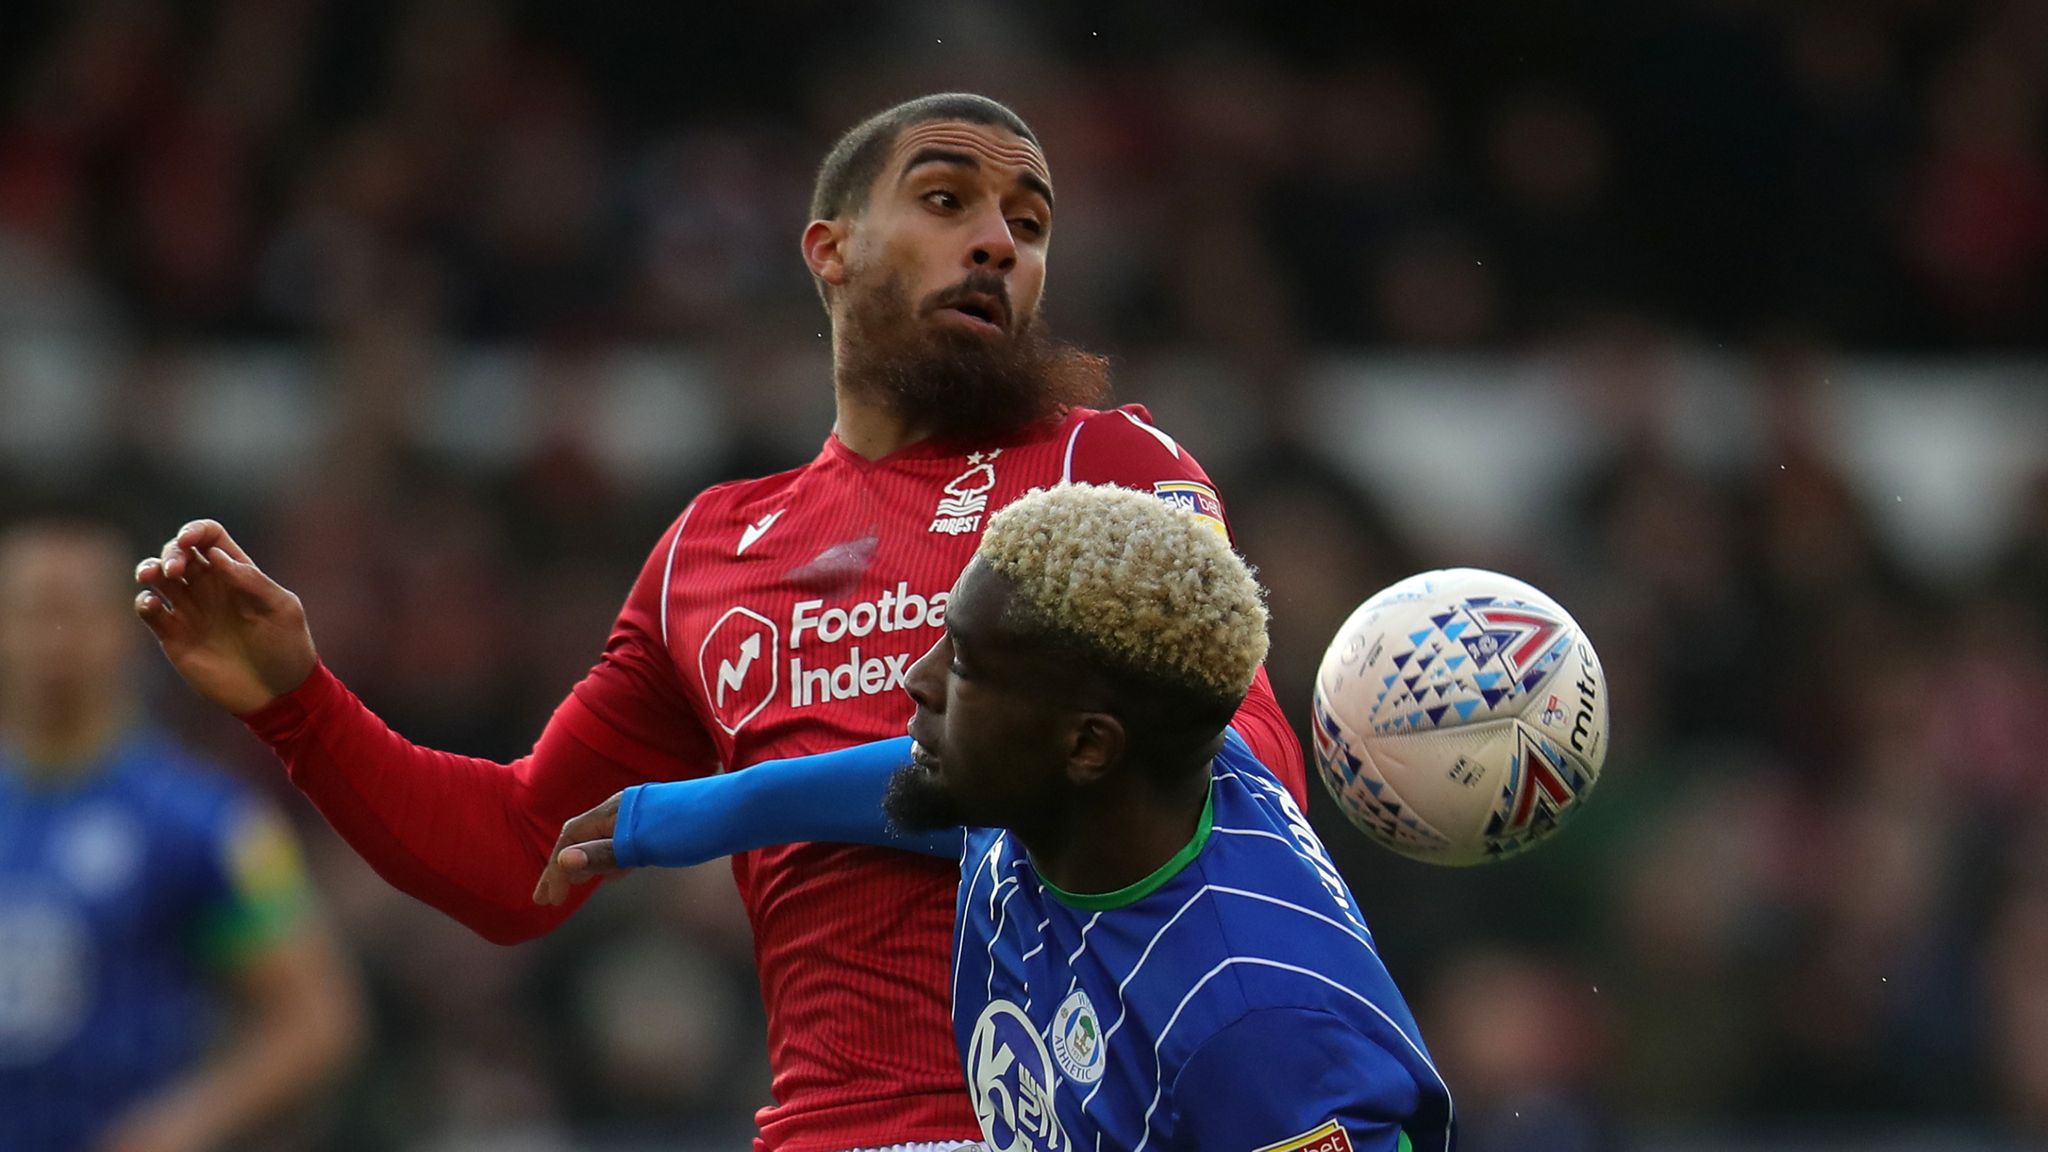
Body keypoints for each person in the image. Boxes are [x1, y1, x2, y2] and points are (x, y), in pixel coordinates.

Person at [133, 92, 1304, 1151]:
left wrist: (811, 795)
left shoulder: (1102, 469)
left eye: (1029, 222)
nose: (998, 239)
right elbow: (519, 860)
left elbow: (1248, 765)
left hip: (1094, 1123)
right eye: (947, 201)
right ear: (828, 251)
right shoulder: (713, 550)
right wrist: (299, 707)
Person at [537, 484, 1455, 1151]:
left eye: (967, 666)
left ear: (1085, 747)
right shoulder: (1064, 797)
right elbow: (907, 788)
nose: (917, 679)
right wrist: (684, 815)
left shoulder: (1250, 1024)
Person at [0, 520, 363, 1152]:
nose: (51, 641)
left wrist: (185, 1124)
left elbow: (315, 1021)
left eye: (74, 613)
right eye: (31, 613)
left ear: (124, 632)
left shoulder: (201, 820)